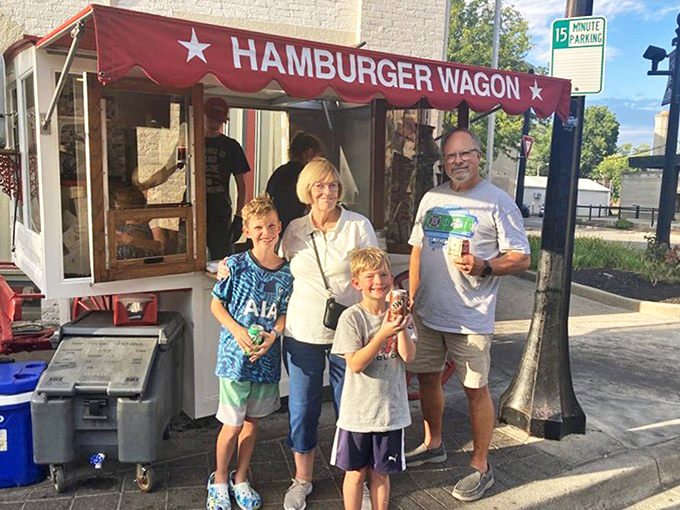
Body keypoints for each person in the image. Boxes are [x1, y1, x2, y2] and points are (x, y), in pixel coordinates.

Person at [404, 128, 530, 502]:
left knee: (475, 390)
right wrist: (412, 300)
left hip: (470, 317)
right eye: (450, 156)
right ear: (443, 161)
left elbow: (522, 257)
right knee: (427, 380)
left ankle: (481, 466)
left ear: (478, 157)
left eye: (465, 154)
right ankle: (434, 443)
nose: (457, 161)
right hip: (427, 312)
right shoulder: (431, 197)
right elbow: (416, 249)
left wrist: (485, 266)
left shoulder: (498, 202)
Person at [207, 195, 293, 510]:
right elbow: (216, 304)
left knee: (253, 422)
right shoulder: (236, 266)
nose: (266, 232)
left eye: (271, 225)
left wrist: (275, 334)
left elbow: (284, 312)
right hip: (234, 360)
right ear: (246, 230)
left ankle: (240, 477)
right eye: (259, 227)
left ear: (280, 226)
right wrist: (237, 330)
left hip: (266, 360)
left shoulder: (288, 273)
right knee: (231, 423)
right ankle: (218, 479)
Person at [330, 248, 416, 510]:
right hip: (358, 412)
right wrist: (381, 334)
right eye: (370, 276)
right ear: (357, 283)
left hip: (391, 411)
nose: (378, 281)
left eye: (383, 274)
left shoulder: (399, 314)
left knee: (382, 473)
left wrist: (400, 327)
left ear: (392, 278)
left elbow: (408, 357)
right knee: (355, 473)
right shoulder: (352, 318)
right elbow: (355, 364)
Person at [204, 97, 251, 260]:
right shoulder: (192, 141)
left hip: (220, 213)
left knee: (222, 261)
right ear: (202, 115)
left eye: (219, 120)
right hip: (194, 211)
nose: (214, 123)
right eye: (211, 118)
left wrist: (239, 217)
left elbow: (242, 186)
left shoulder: (231, 146)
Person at [265, 132, 323, 234]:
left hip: (276, 228)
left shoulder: (279, 173)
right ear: (310, 153)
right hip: (298, 230)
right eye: (319, 156)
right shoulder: (306, 175)